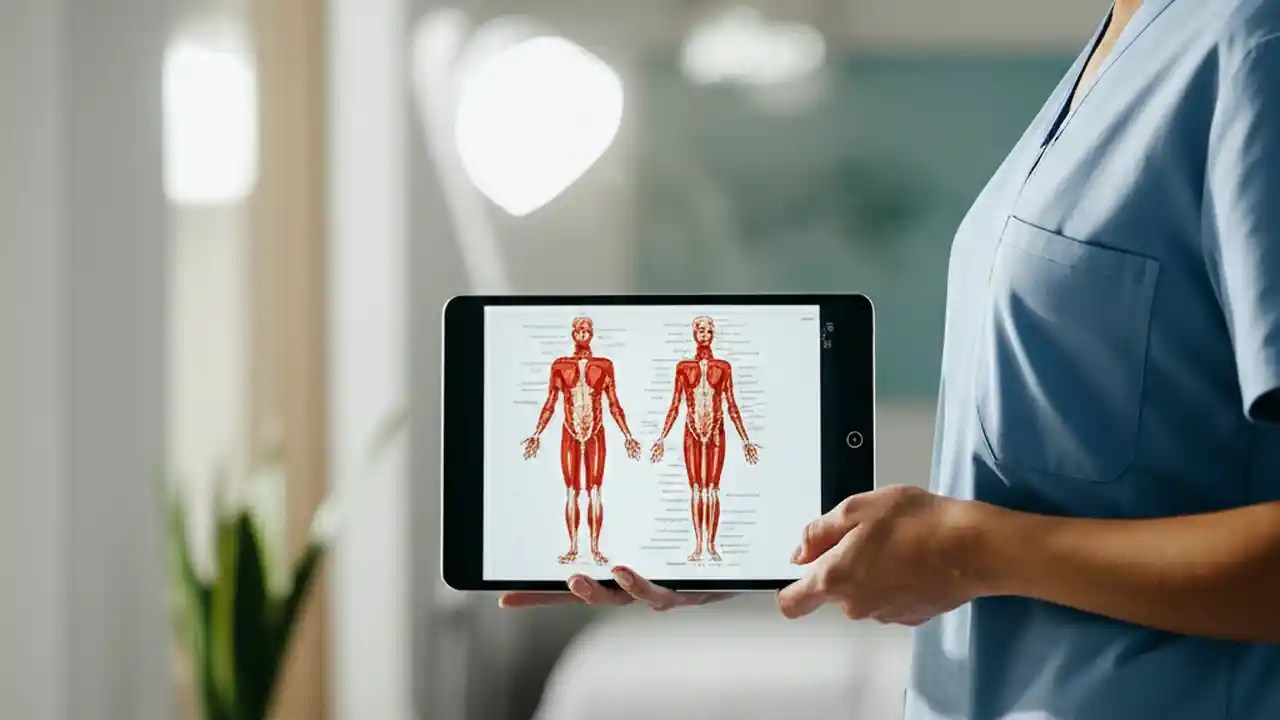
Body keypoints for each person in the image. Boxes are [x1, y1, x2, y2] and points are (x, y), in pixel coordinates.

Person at [503, 0, 1280, 717]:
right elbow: (1064, 465)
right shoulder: (1123, 39)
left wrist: (970, 551)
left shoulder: (1251, 40)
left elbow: (990, 534)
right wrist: (755, 546)